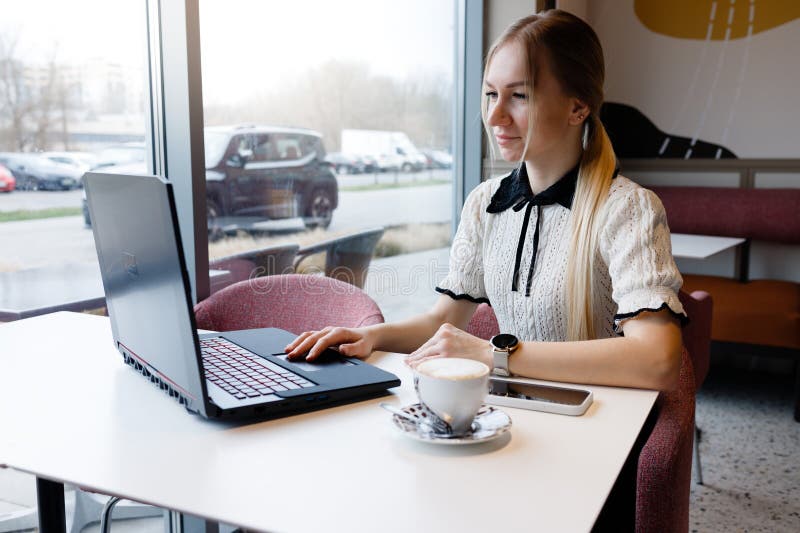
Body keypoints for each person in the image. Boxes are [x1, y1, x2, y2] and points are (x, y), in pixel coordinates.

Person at [286, 9, 686, 391]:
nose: (495, 116)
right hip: (511, 415)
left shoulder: (628, 209)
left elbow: (657, 360)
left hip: (597, 426)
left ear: (577, 107)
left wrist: (496, 355)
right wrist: (368, 335)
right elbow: (444, 320)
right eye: (492, 94)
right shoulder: (485, 203)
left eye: (519, 96)